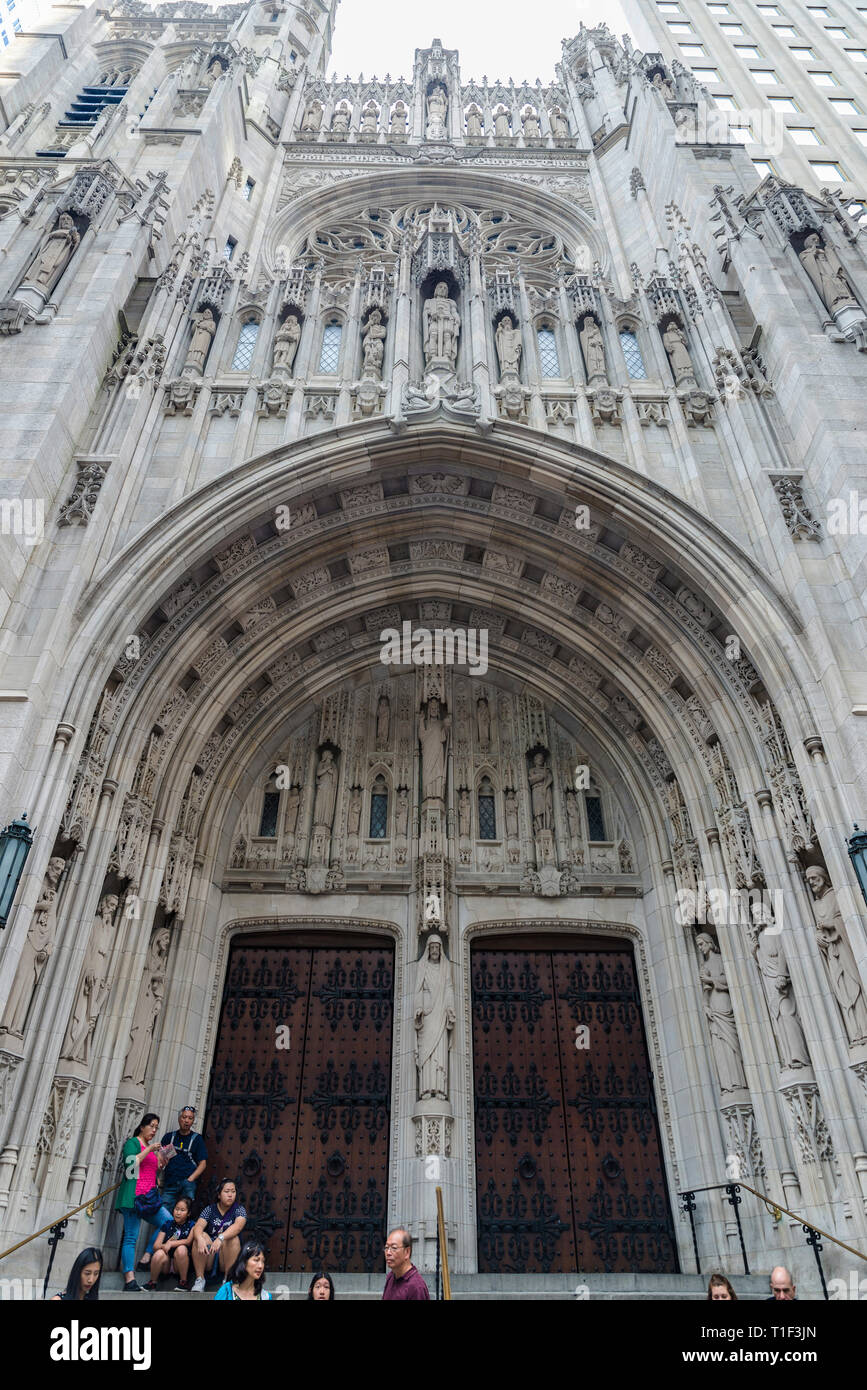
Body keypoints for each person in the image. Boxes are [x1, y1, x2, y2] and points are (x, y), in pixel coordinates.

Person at [114, 1112, 174, 1292]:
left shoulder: (150, 1147)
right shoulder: (134, 1143)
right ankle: (129, 1279)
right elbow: (130, 1164)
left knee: (169, 1222)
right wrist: (148, 1150)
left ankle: (147, 1255)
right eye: (152, 1126)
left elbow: (150, 1172)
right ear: (142, 1126)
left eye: (156, 1127)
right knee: (131, 1237)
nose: (154, 1130)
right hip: (133, 1197)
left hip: (149, 1198)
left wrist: (161, 1164)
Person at [142, 1105, 207, 1261]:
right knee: (165, 1219)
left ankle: (180, 1255)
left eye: (190, 1118)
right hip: (170, 1184)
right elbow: (161, 1160)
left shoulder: (196, 1139)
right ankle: (150, 1253)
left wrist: (190, 1179)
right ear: (179, 1118)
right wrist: (157, 1173)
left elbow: (203, 1163)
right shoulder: (169, 1137)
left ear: (193, 1121)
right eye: (184, 1117)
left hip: (187, 1185)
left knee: (185, 1220)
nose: (186, 1120)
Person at [190, 1179, 247, 1292]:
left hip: (226, 1255)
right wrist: (200, 1239)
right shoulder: (210, 1209)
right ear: (219, 1195)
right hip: (209, 1253)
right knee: (201, 1235)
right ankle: (200, 1280)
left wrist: (221, 1238)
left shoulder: (239, 1210)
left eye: (233, 1191)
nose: (230, 1195)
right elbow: (198, 1226)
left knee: (233, 1238)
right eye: (227, 1191)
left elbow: (238, 1226)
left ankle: (227, 1281)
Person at [145, 1195, 195, 1291]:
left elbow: (188, 1242)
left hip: (181, 1263)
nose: (178, 1213)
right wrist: (165, 1245)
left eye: (182, 1210)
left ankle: (183, 1282)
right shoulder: (168, 1224)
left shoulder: (192, 1225)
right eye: (176, 1209)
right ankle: (152, 1282)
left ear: (188, 1213)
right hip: (166, 1263)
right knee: (158, 1253)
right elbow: (156, 1246)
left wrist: (171, 1243)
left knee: (181, 1249)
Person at [382, 1228, 430, 1300]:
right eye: (386, 1247)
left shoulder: (416, 1287)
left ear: (407, 1252)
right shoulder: (391, 1277)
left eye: (394, 1248)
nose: (388, 1253)